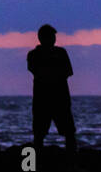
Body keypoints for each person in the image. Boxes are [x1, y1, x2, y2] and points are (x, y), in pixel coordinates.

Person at [27, 24, 76, 152]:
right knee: (39, 134)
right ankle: (36, 166)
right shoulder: (33, 55)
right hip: (43, 100)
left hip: (60, 100)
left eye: (53, 36)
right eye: (51, 36)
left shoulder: (61, 52)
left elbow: (68, 71)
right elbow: (36, 71)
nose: (54, 39)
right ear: (42, 38)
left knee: (69, 132)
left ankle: (71, 163)